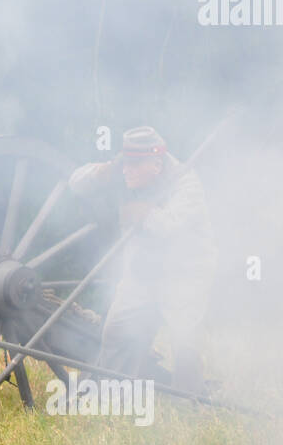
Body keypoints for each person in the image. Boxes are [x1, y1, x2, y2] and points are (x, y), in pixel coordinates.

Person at [69, 126, 216, 392]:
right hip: (142, 273)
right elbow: (75, 183)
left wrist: (145, 215)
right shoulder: (122, 172)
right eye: (125, 164)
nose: (127, 170)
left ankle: (191, 400)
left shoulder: (186, 182)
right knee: (116, 331)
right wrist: (99, 173)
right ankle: (113, 392)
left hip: (185, 273)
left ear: (156, 165)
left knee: (185, 344)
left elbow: (171, 226)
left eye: (135, 165)